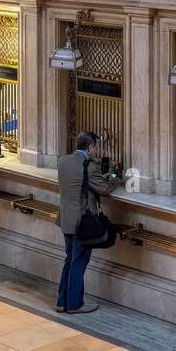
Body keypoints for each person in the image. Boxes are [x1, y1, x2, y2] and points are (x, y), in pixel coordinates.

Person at [56, 131, 118, 314]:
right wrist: (114, 176)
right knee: (79, 262)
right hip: (82, 222)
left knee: (69, 259)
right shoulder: (89, 167)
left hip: (65, 219)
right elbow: (104, 189)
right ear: (90, 147)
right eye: (96, 147)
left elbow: (81, 176)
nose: (97, 151)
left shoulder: (63, 161)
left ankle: (62, 301)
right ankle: (75, 304)